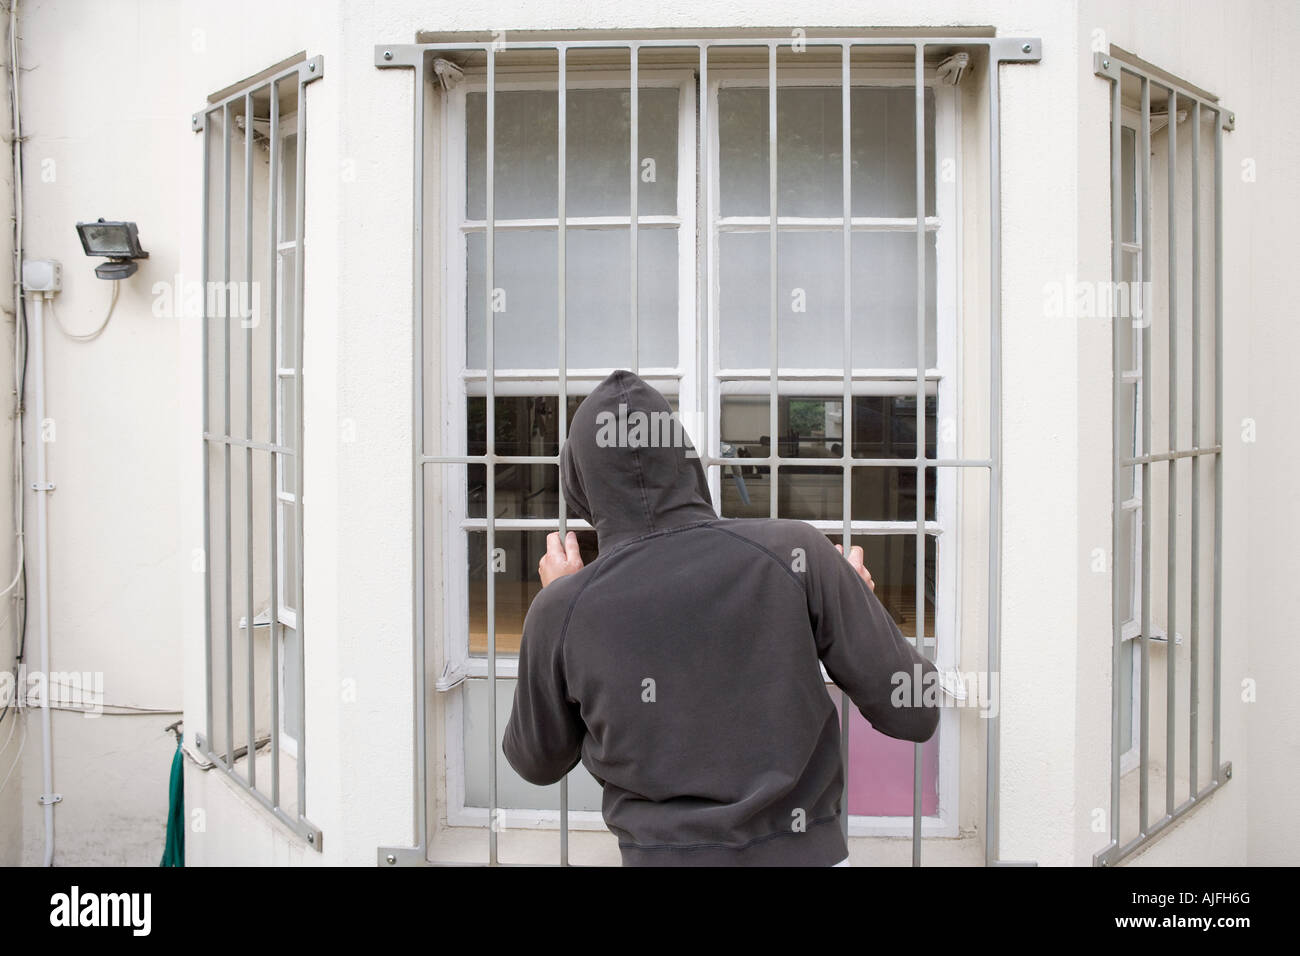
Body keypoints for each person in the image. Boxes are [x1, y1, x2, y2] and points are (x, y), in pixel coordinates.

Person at [503, 369, 940, 866]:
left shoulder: (562, 606)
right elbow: (915, 709)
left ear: (578, 482)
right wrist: (858, 602)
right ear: (683, 457)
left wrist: (561, 612)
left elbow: (536, 762)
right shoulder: (797, 552)